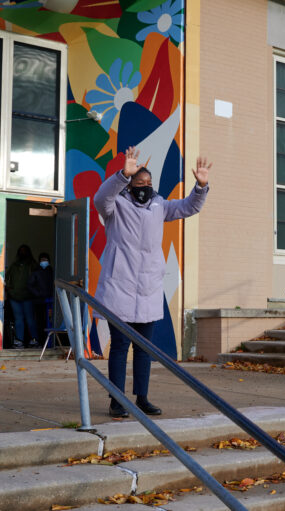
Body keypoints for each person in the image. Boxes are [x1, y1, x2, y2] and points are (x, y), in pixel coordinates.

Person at [94, 146, 211, 418]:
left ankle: (142, 398)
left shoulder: (159, 206)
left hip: (147, 289)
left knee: (144, 349)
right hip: (119, 288)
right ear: (129, 185)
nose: (145, 187)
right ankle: (116, 400)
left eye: (148, 183)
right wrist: (123, 173)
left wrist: (201, 185)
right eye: (138, 183)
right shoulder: (116, 206)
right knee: (121, 347)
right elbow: (101, 197)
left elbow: (188, 207)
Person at [6, 244, 39, 349]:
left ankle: (34, 340)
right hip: (14, 297)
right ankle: (19, 341)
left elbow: (38, 280)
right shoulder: (14, 265)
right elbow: (7, 279)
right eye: (21, 250)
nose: (22, 253)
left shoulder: (33, 265)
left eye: (25, 251)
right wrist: (10, 290)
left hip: (28, 296)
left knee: (30, 320)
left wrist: (33, 292)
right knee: (18, 320)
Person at [28, 252, 54, 342]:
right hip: (39, 301)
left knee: (50, 321)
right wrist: (38, 293)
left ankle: (50, 342)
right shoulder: (35, 272)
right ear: (39, 261)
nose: (44, 261)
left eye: (46, 260)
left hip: (50, 301)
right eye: (42, 260)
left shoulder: (52, 272)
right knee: (40, 321)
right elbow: (30, 285)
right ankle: (42, 341)